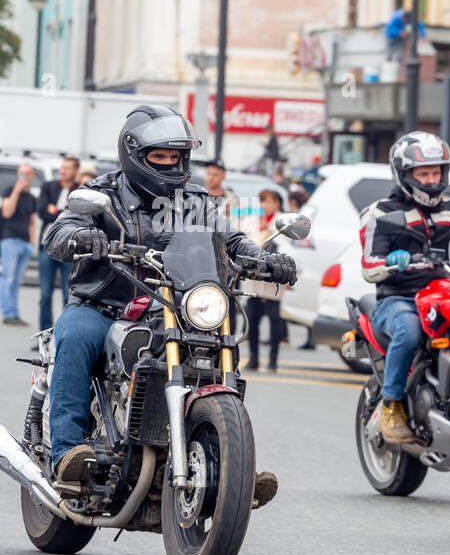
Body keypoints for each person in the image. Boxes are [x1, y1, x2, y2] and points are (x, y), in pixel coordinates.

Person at [42, 105, 296, 488]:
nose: (168, 164)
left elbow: (231, 238)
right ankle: (66, 454)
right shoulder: (98, 193)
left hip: (171, 309)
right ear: (134, 155)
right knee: (76, 337)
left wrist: (262, 257)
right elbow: (57, 235)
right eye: (158, 156)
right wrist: (81, 237)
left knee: (217, 348)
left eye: (174, 156)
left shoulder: (194, 198)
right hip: (104, 307)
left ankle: (229, 464)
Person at [359, 131, 450, 444]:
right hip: (398, 299)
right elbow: (369, 266)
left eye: (436, 172)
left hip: (447, 296)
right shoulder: (381, 213)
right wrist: (391, 260)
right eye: (423, 173)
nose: (431, 180)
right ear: (404, 174)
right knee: (408, 330)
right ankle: (391, 405)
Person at [244, 189, 291, 372]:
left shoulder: (283, 221)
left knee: (274, 319)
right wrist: (261, 230)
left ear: (278, 204)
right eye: (262, 201)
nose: (266, 205)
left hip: (274, 276)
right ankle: (253, 359)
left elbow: (286, 246)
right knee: (252, 318)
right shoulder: (251, 220)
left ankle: (273, 360)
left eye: (270, 201)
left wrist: (268, 230)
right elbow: (245, 242)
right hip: (253, 276)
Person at [36, 156, 80, 333]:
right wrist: (64, 213)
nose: (63, 171)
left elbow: (77, 216)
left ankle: (62, 333)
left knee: (67, 295)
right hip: (46, 248)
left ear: (75, 171)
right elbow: (41, 212)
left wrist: (54, 210)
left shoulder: (80, 191)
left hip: (70, 250)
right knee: (45, 294)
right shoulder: (48, 187)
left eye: (68, 168)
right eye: (62, 168)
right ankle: (45, 335)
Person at [1, 163, 40, 326]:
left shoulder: (31, 198)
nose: (23, 177)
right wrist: (17, 190)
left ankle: (14, 312)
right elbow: (7, 212)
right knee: (8, 278)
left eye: (26, 174)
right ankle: (8, 313)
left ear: (32, 176)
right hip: (10, 240)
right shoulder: (10, 190)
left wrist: (31, 242)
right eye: (21, 173)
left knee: (17, 281)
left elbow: (31, 221)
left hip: (24, 243)